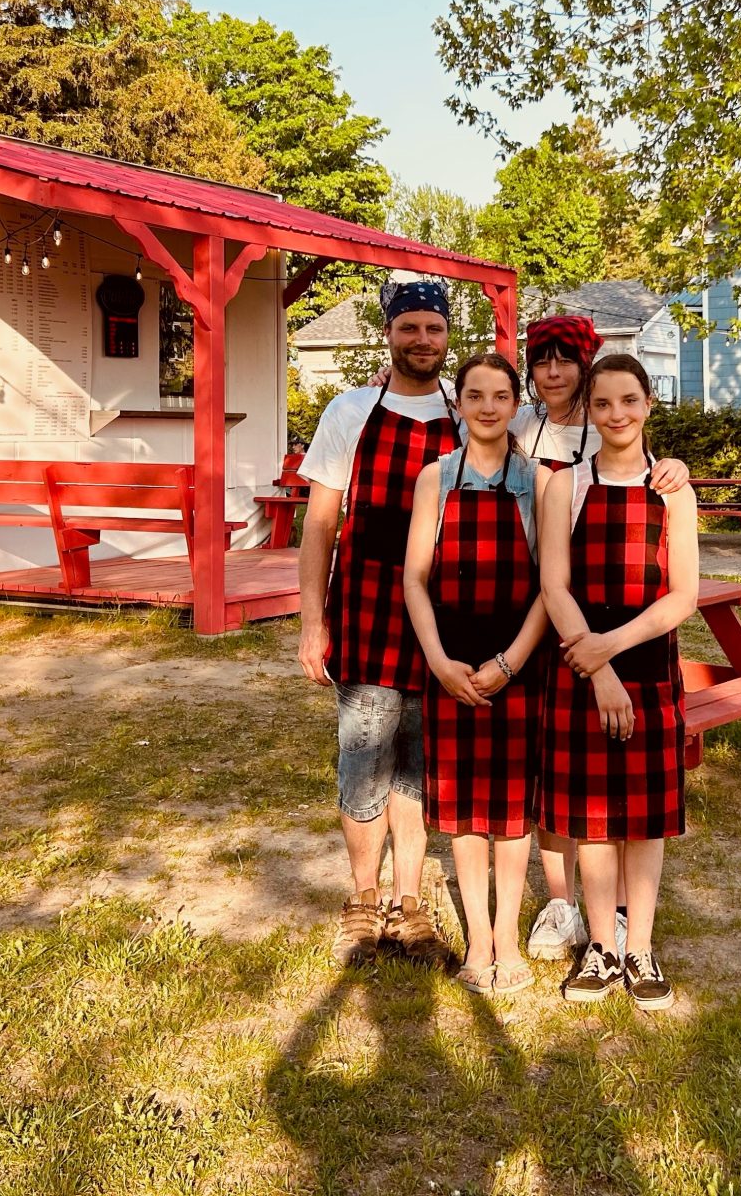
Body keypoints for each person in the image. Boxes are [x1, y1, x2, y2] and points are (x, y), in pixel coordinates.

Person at [513, 314, 691, 964]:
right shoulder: (547, 460)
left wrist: (609, 652)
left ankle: (631, 938)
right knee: (572, 801)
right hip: (559, 642)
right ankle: (583, 927)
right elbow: (555, 585)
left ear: (646, 405)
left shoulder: (669, 487)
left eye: (630, 401)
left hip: (630, 654)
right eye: (604, 402)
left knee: (640, 812)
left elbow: (683, 593)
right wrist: (595, 664)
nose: (617, 413)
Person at [298, 278, 462, 966]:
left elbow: (567, 432)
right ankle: (363, 899)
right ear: (389, 334)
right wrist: (312, 619)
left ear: (449, 336)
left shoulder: (471, 407)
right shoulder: (351, 409)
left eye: (433, 329)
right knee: (365, 760)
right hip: (365, 606)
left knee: (417, 770)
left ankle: (409, 900)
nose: (421, 340)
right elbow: (320, 524)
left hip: (448, 615)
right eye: (410, 328)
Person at [403, 352, 551, 995]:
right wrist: (438, 662)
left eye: (500, 395)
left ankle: (510, 942)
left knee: (513, 811)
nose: (488, 406)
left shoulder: (542, 481)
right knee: (465, 811)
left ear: (516, 404)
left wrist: (511, 662)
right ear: (458, 403)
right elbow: (414, 579)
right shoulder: (434, 478)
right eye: (474, 395)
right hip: (451, 662)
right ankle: (478, 942)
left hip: (519, 658)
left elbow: (554, 585)